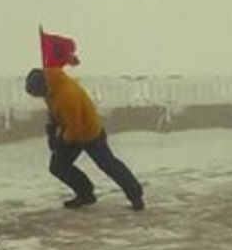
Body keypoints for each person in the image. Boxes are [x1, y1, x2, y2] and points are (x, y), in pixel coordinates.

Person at [25, 67, 144, 210]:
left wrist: (60, 142)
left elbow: (75, 130)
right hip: (71, 129)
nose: (39, 97)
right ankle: (86, 194)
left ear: (42, 86)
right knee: (58, 167)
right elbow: (55, 113)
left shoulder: (67, 95)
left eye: (38, 94)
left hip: (90, 132)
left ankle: (135, 195)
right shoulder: (51, 88)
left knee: (108, 165)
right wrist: (52, 131)